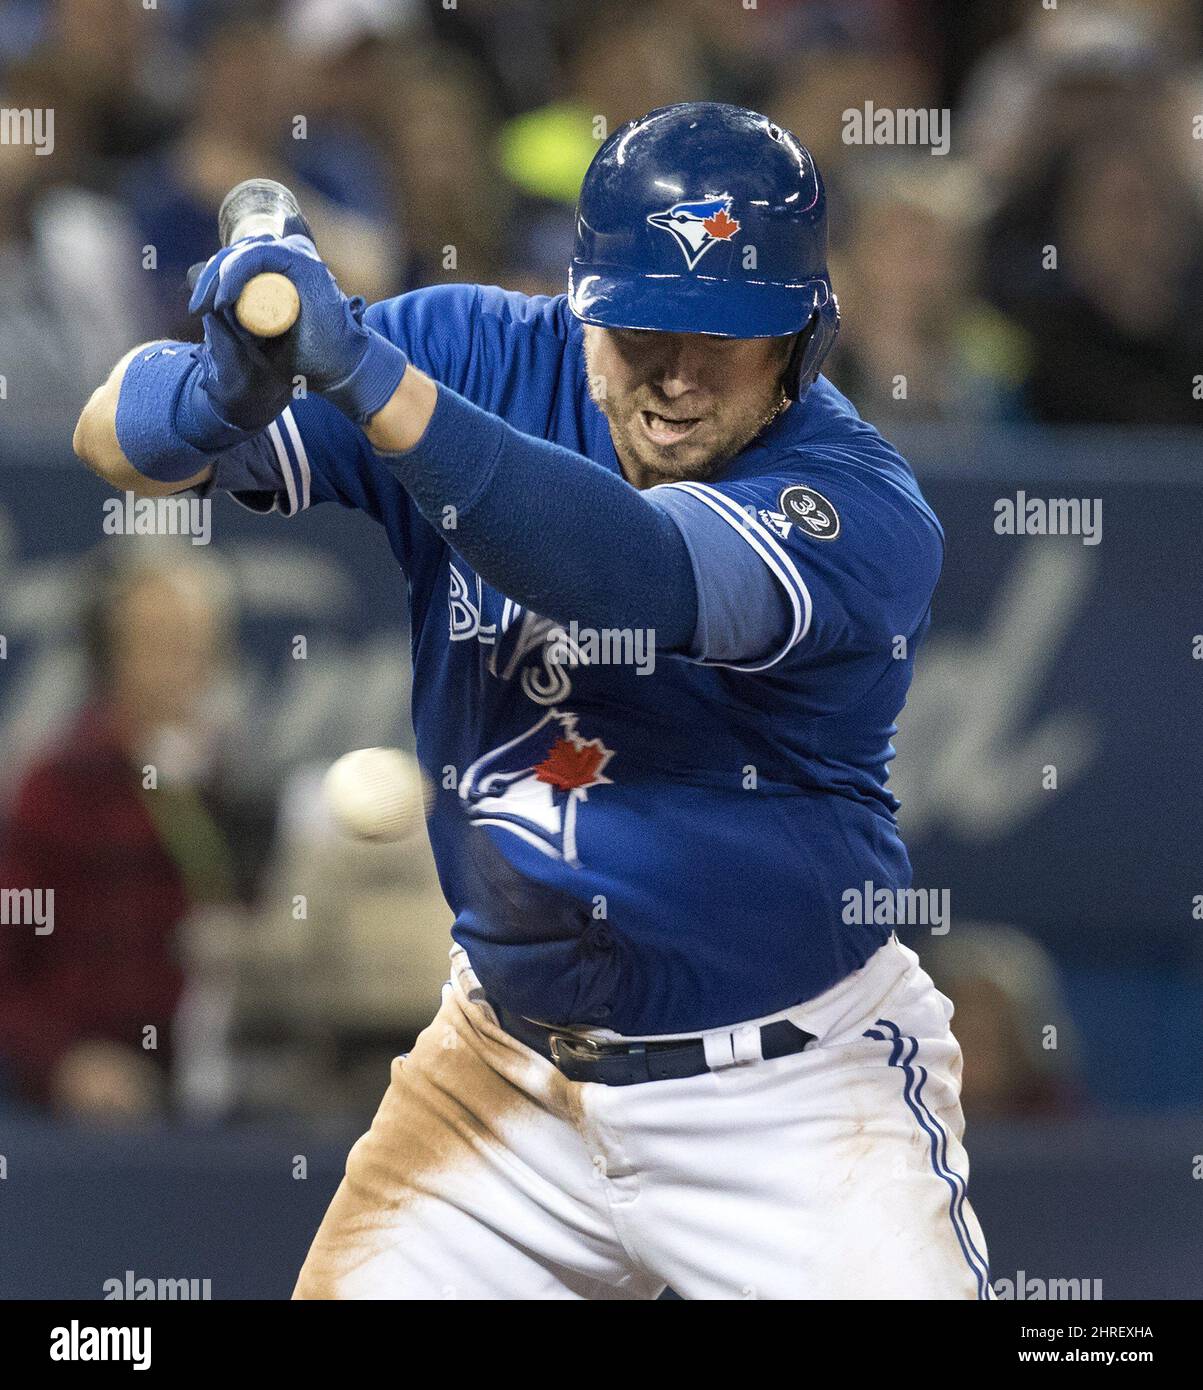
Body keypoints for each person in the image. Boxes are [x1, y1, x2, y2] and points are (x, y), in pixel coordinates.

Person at [73, 103, 990, 1299]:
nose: (675, 372)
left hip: (792, 1091)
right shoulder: (477, 353)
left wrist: (366, 376)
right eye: (641, 324)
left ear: (803, 341)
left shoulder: (856, 504)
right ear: (583, 300)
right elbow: (113, 439)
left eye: (725, 336)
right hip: (503, 1068)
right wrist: (209, 400)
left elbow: (625, 568)